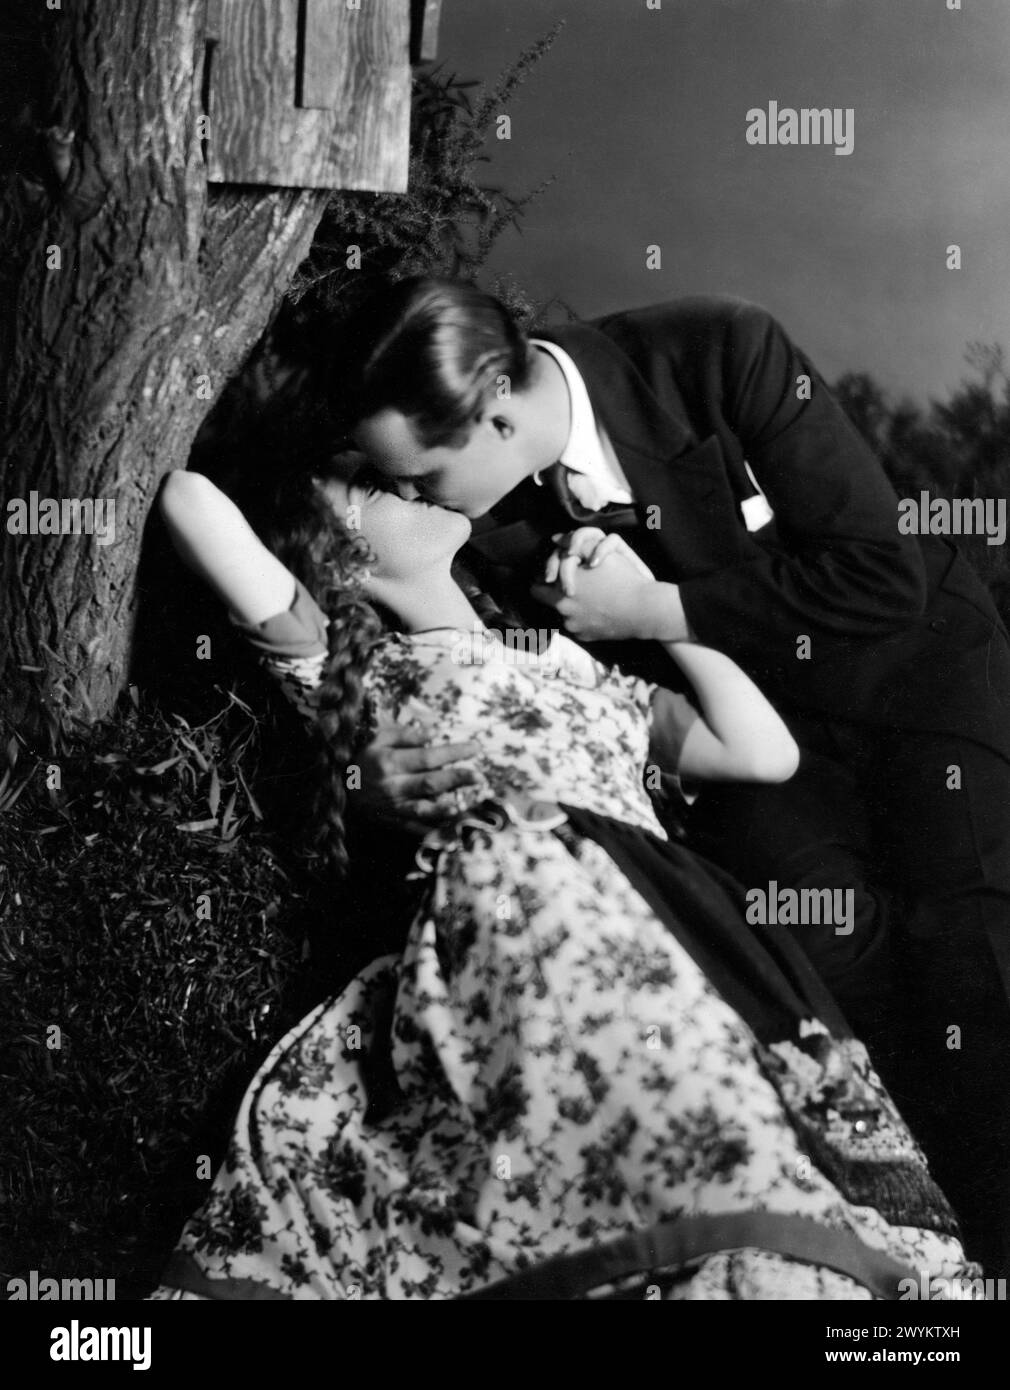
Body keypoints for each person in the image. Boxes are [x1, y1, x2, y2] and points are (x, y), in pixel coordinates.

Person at [147, 463, 977, 1300]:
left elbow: (763, 751)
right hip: (532, 914)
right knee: (692, 1155)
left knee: (762, 1156)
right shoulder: (357, 674)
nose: (415, 486)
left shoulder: (567, 664)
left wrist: (654, 599)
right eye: (375, 489)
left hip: (675, 923)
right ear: (339, 558)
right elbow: (187, 497)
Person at [338, 277, 1010, 1274]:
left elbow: (878, 576)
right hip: (756, 746)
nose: (415, 496)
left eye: (425, 473)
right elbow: (417, 614)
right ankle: (924, 1256)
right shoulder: (465, 512)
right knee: (819, 967)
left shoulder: (717, 350)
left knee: (968, 961)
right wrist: (356, 758)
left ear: (495, 412)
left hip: (912, 674)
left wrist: (658, 609)